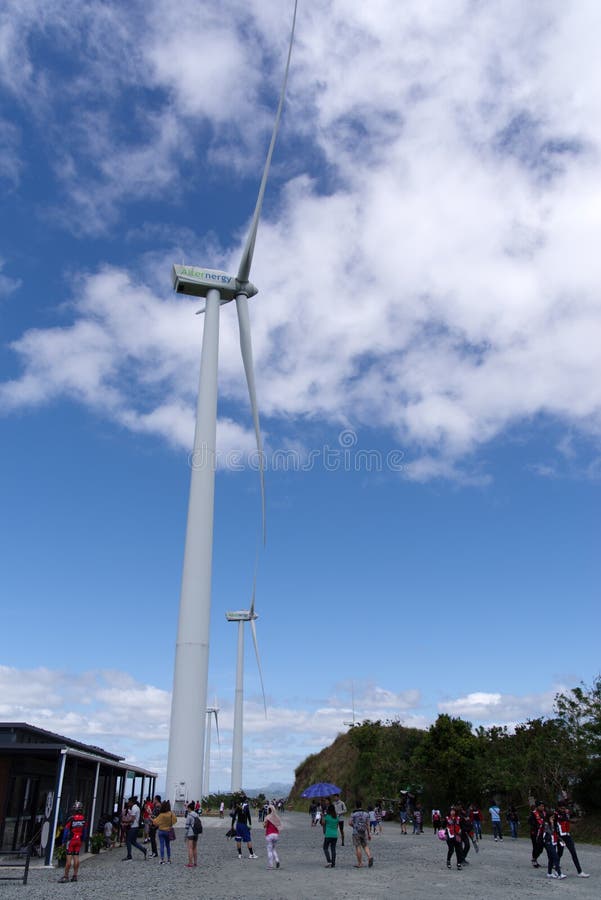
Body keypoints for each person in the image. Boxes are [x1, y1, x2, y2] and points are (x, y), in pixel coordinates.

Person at [556, 803, 590, 877]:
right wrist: (570, 819)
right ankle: (556, 869)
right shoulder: (556, 814)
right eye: (561, 808)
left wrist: (574, 817)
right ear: (558, 808)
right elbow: (562, 819)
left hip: (567, 835)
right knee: (560, 853)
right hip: (560, 837)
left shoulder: (566, 813)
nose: (563, 810)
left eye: (564, 808)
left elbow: (570, 817)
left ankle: (580, 872)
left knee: (573, 853)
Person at [58, 801, 87, 883]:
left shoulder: (71, 819)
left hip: (71, 840)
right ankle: (75, 875)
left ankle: (66, 876)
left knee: (68, 859)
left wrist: (63, 841)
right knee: (76, 857)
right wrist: (82, 839)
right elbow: (85, 831)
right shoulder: (84, 819)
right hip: (79, 839)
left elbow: (66, 831)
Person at [122, 796, 147, 861]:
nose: (128, 803)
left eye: (129, 802)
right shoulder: (137, 807)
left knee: (128, 841)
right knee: (133, 841)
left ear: (131, 802)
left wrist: (124, 821)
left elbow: (132, 819)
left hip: (133, 827)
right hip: (136, 827)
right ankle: (143, 849)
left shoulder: (134, 808)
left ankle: (129, 856)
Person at [350, 800, 374, 868]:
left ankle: (360, 863)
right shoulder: (366, 813)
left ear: (356, 806)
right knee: (365, 845)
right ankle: (369, 856)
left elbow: (350, 822)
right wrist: (369, 834)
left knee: (358, 846)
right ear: (361, 805)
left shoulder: (353, 813)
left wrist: (354, 826)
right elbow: (368, 824)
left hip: (356, 832)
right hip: (363, 831)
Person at [152, 800, 177, 864]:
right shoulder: (171, 814)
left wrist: (152, 819)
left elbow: (155, 822)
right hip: (168, 831)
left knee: (162, 845)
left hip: (161, 831)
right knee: (168, 845)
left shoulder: (161, 815)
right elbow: (175, 820)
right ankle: (169, 859)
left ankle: (162, 859)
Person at [543, 810, 566, 879]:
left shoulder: (551, 823)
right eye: (552, 817)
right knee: (555, 857)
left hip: (554, 842)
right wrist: (552, 824)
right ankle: (559, 874)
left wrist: (561, 839)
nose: (553, 819)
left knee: (551, 858)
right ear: (548, 817)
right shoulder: (546, 824)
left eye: (553, 817)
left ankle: (549, 873)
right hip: (548, 842)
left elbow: (555, 833)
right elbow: (551, 832)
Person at [445, 806, 463, 871]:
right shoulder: (447, 818)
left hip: (457, 836)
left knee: (458, 850)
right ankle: (448, 861)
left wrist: (461, 830)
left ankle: (459, 863)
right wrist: (444, 833)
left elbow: (462, 826)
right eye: (451, 811)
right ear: (449, 811)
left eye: (454, 811)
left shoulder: (459, 818)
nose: (453, 812)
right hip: (450, 836)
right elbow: (443, 826)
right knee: (451, 850)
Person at [264, 805, 282, 870]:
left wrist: (264, 824)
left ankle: (271, 865)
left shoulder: (268, 817)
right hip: (276, 834)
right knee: (273, 849)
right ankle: (277, 860)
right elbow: (279, 825)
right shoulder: (277, 817)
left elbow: (265, 826)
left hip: (269, 834)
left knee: (269, 850)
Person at [528, 800, 545, 868]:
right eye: (541, 806)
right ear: (537, 806)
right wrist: (536, 825)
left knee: (541, 848)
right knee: (535, 846)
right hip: (535, 832)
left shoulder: (544, 813)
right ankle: (534, 859)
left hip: (542, 832)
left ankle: (535, 858)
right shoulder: (533, 813)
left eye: (543, 806)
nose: (543, 807)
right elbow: (530, 821)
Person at [185, 801, 201, 867]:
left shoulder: (189, 815)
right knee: (195, 848)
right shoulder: (196, 814)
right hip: (196, 832)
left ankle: (190, 863)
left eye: (187, 808)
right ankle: (195, 862)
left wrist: (185, 834)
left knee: (190, 848)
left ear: (189, 808)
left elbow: (187, 826)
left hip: (190, 833)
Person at [322, 803, 338, 868]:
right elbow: (337, 826)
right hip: (335, 835)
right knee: (333, 849)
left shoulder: (327, 817)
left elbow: (323, 823)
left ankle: (329, 861)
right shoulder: (336, 817)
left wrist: (323, 816)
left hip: (328, 834)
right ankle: (333, 863)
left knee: (325, 848)